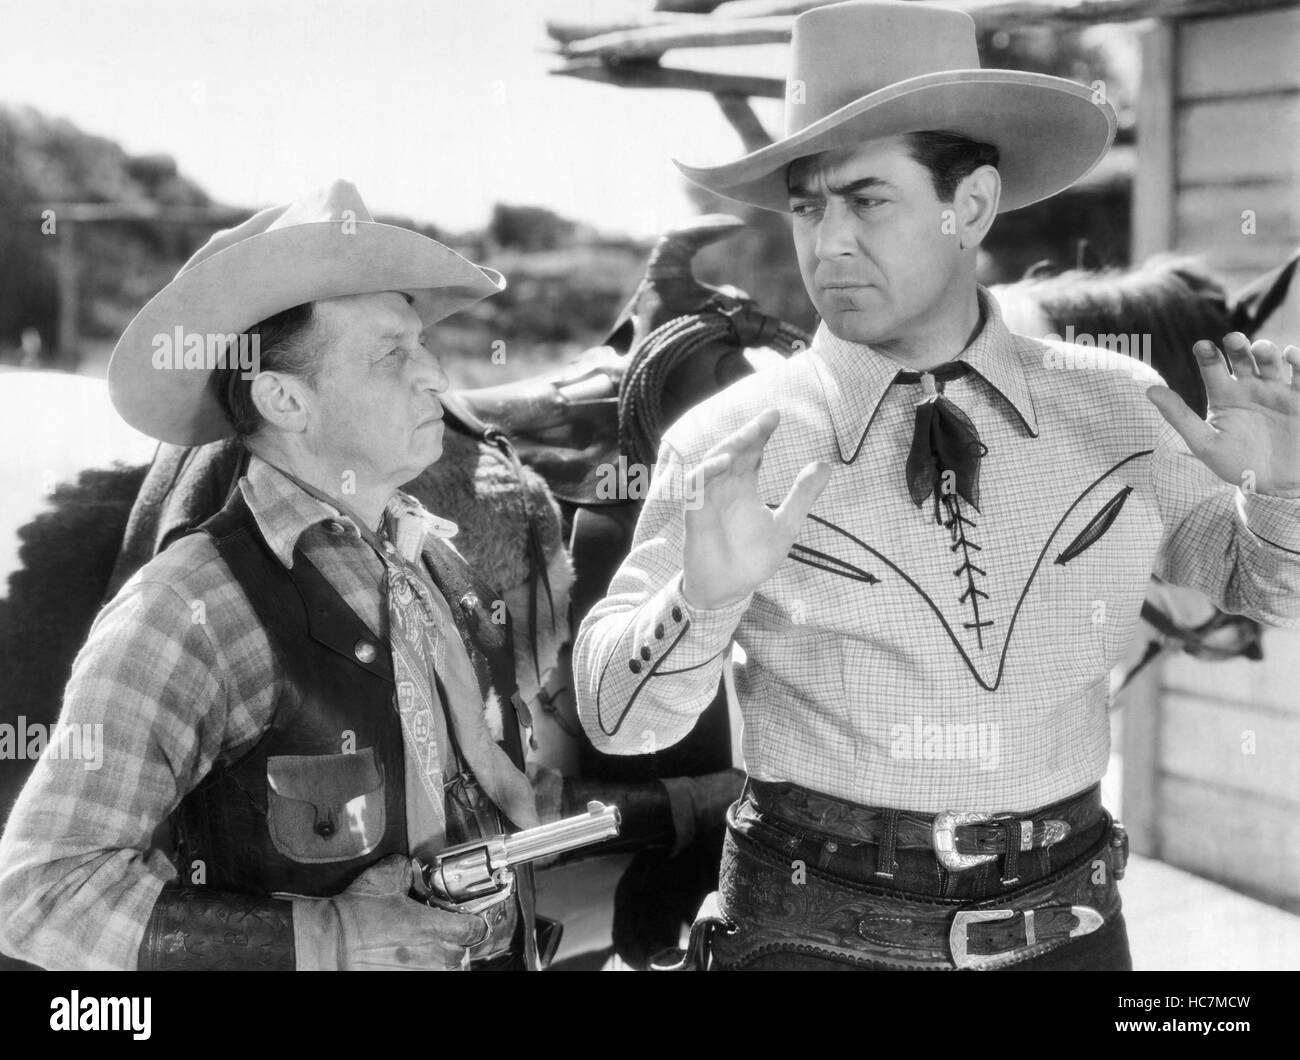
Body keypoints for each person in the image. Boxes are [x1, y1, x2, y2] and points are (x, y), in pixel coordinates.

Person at [573, 0, 1300, 970]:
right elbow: (618, 720)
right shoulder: (732, 443)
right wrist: (697, 599)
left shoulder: (1121, 407)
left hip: (1070, 932)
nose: (826, 242)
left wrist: (1281, 489)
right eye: (806, 203)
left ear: (971, 206)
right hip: (811, 940)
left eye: (866, 199)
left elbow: (1263, 589)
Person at [0, 180, 545, 970]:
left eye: (423, 344)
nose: (434, 375)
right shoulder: (188, 606)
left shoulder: (438, 563)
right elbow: (43, 893)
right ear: (285, 397)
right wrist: (337, 940)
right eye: (393, 353)